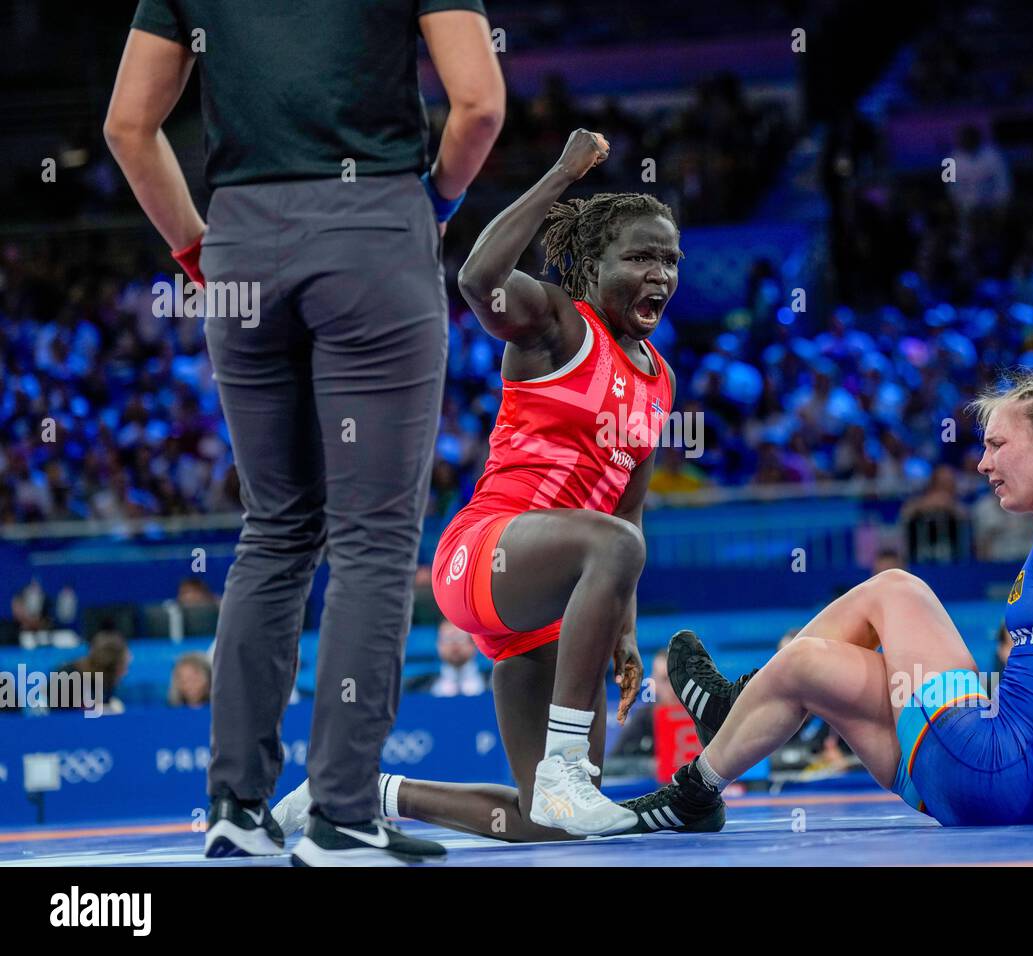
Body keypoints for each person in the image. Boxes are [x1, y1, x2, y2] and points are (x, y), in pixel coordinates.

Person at [106, 0, 504, 865]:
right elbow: (479, 104)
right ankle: (342, 816)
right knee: (370, 539)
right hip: (373, 233)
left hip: (243, 241)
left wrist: (195, 250)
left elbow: (129, 125)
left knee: (276, 528)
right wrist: (431, 199)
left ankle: (234, 808)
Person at [619, 370, 1033, 832]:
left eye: (995, 444)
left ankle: (735, 707)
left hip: (987, 766)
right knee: (808, 665)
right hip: (999, 788)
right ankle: (700, 785)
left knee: (895, 589)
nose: (983, 464)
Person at [274, 129, 679, 841]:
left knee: (548, 825)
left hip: (550, 596)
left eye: (670, 261)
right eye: (641, 257)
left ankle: (366, 794)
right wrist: (561, 172)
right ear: (593, 264)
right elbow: (476, 279)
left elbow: (629, 510)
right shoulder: (558, 324)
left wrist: (625, 630)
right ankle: (562, 765)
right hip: (483, 556)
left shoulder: (660, 380)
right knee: (611, 549)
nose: (660, 275)